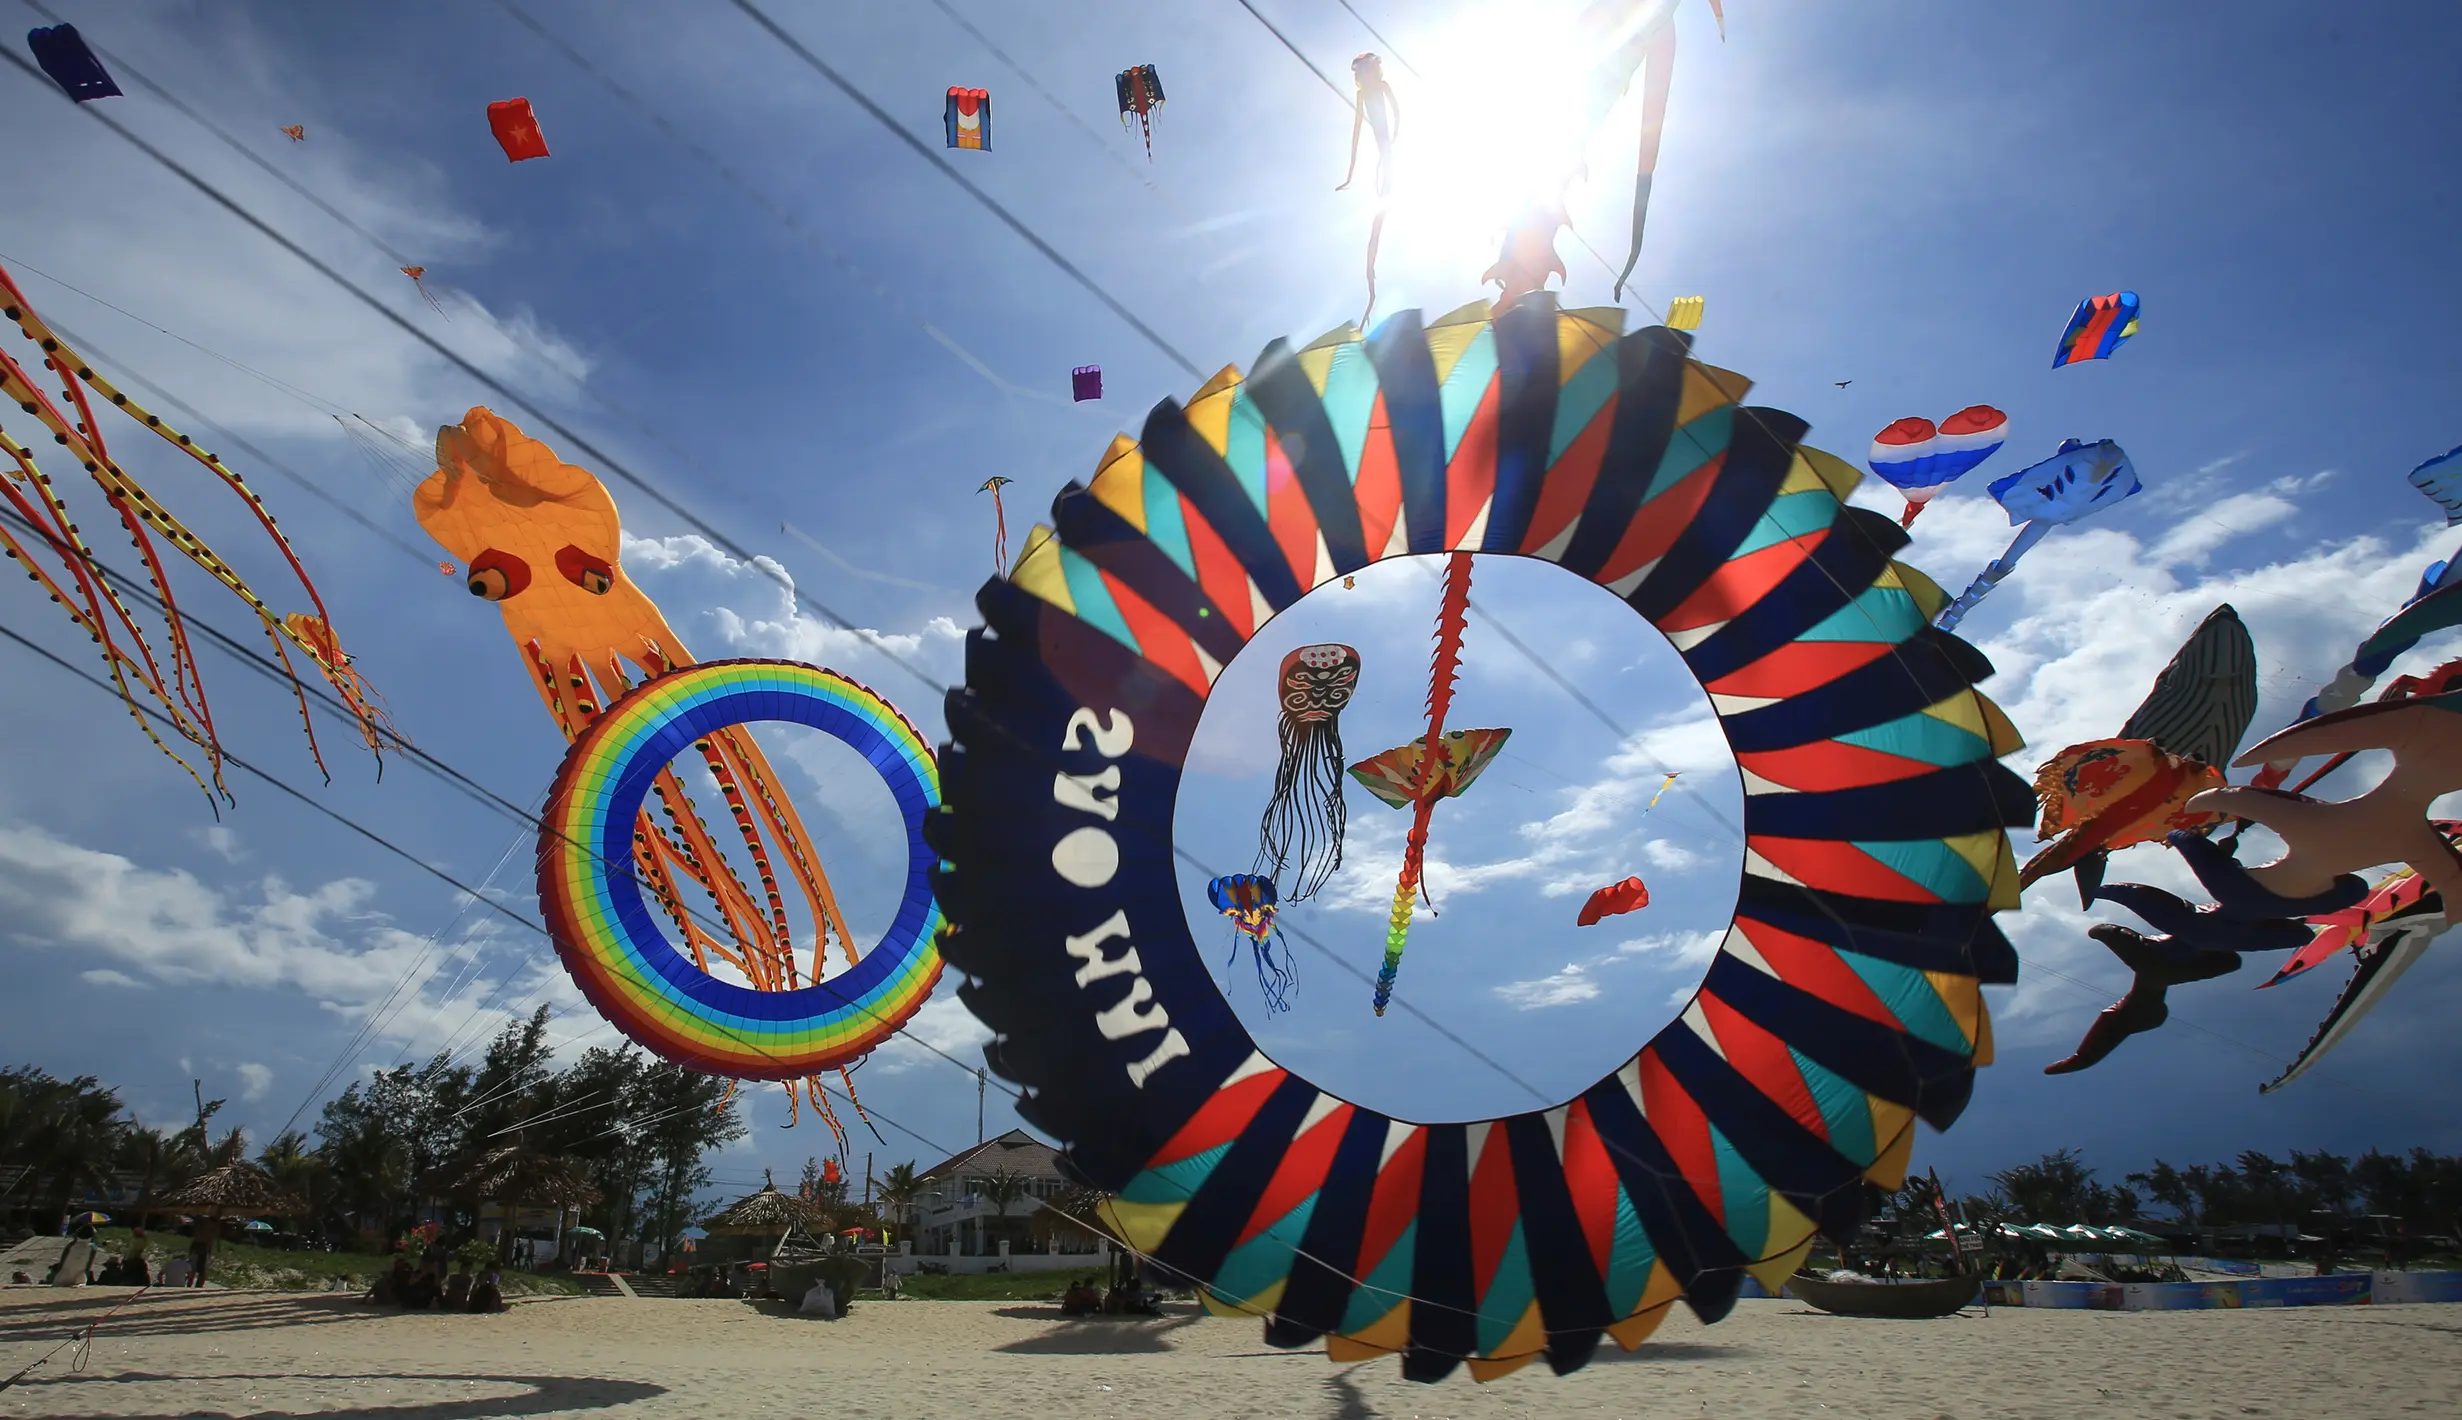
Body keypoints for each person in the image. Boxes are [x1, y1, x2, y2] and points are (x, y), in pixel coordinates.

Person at [46, 1222, 97, 1286]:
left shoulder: (72, 1245)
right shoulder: (92, 1248)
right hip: (79, 1276)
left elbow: (63, 1258)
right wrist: (86, 1272)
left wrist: (59, 1269)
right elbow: (89, 1265)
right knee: (80, 1281)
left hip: (65, 1273)